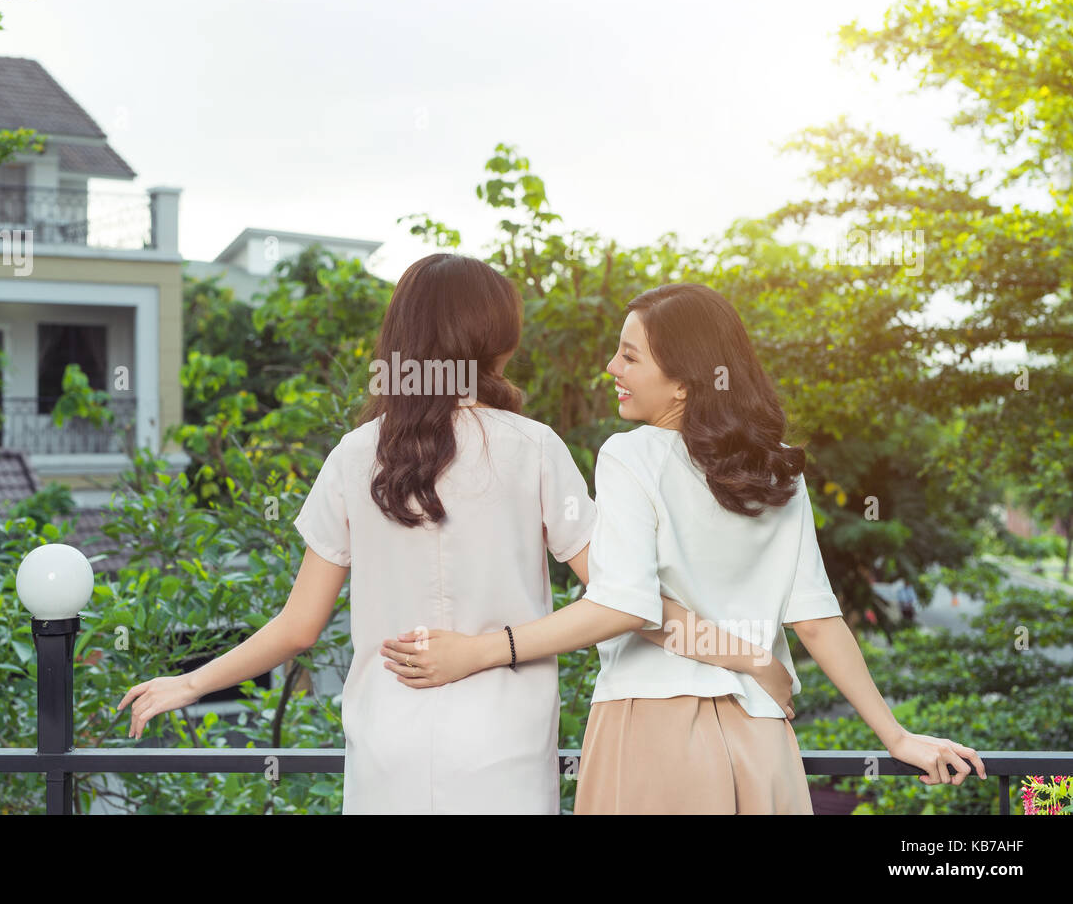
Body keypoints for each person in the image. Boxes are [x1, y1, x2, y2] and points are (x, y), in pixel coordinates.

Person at [118, 257, 795, 814]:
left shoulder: (356, 455)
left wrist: (191, 682)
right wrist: (743, 653)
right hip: (504, 755)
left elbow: (298, 628)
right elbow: (624, 600)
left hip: (387, 756)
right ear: (495, 342)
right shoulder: (534, 448)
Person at [381, 282, 986, 813]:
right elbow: (818, 620)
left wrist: (483, 651)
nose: (610, 368)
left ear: (684, 380)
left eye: (630, 355)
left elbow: (624, 604)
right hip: (764, 737)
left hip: (651, 729)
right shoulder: (781, 474)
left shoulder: (630, 454)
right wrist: (896, 736)